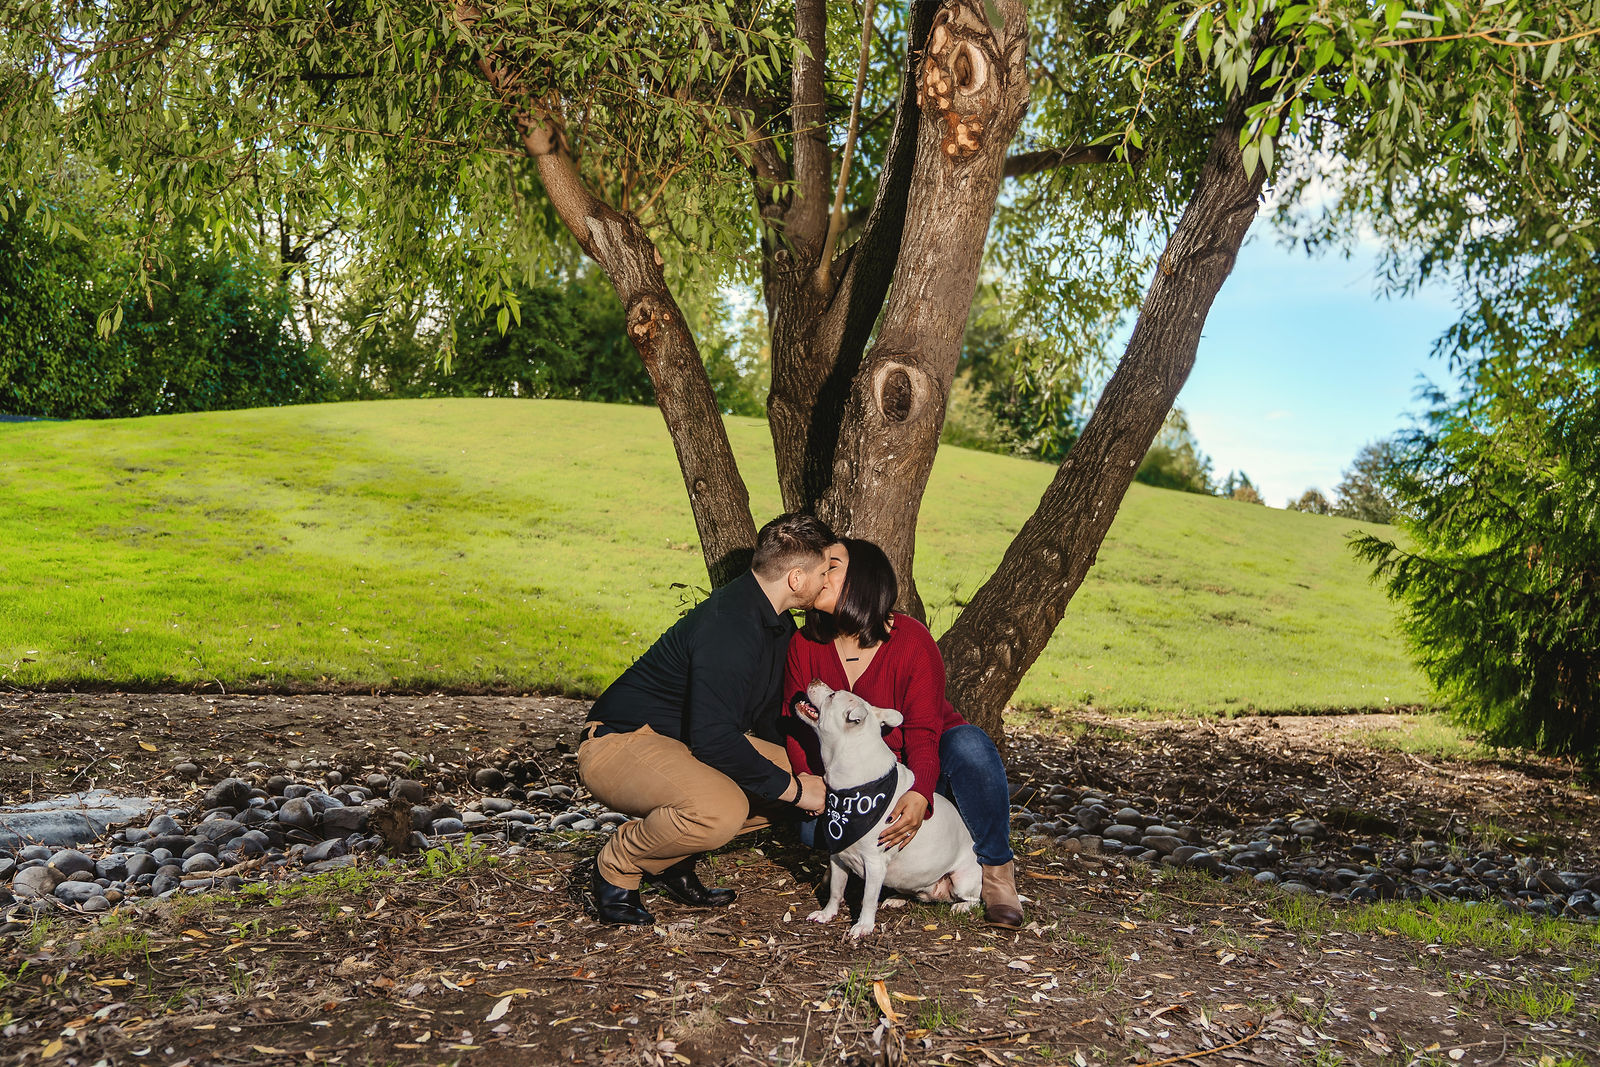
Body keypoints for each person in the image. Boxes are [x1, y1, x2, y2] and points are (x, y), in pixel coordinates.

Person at [578, 513, 835, 925]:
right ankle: (619, 864)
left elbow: (769, 718)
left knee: (801, 772)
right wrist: (797, 792)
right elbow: (715, 739)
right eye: (824, 572)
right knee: (725, 808)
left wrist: (804, 775)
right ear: (796, 579)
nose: (826, 582)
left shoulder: (774, 623)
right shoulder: (730, 626)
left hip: (682, 742)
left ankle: (668, 858)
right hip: (619, 742)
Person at [782, 538, 1024, 929]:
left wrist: (920, 794)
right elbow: (795, 721)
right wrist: (807, 776)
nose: (819, 573)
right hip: (853, 781)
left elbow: (925, 733)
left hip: (922, 765)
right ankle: (902, 871)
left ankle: (996, 871)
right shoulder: (805, 643)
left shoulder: (912, 641)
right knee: (813, 833)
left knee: (970, 745)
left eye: (832, 565)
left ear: (863, 579)